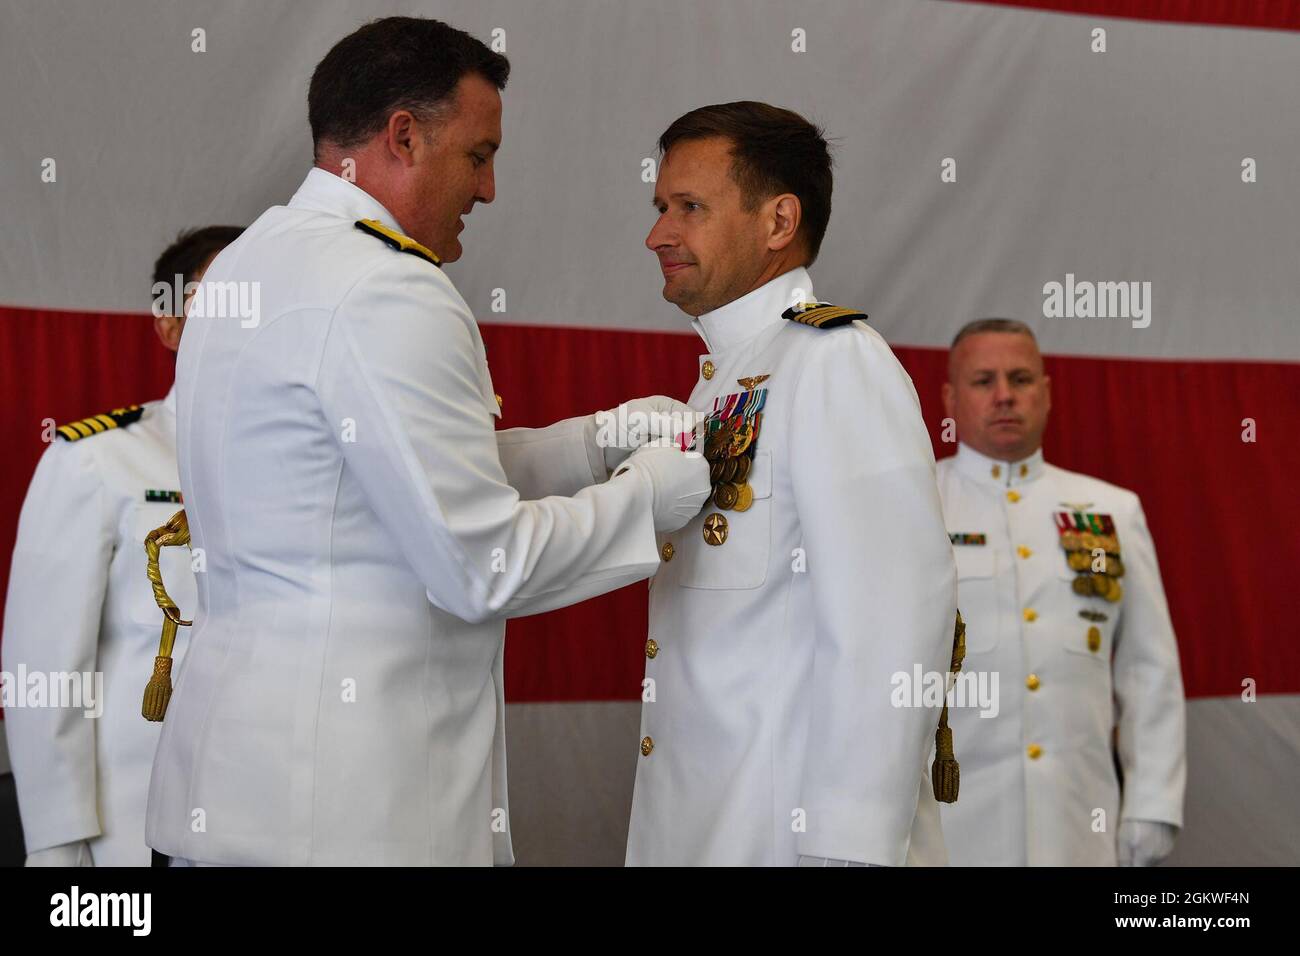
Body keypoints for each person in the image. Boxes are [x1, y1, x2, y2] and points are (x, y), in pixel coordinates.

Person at [145, 17, 710, 867]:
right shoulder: (386, 286)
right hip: (351, 812)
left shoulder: (252, 262)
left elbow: (370, 484)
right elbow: (478, 565)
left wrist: (592, 445)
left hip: (233, 789)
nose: (487, 189)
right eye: (478, 155)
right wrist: (648, 498)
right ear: (403, 136)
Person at [625, 102, 957, 866]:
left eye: (689, 208)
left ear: (778, 222)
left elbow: (893, 619)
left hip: (790, 838)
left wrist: (849, 846)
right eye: (659, 208)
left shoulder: (836, 359)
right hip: (713, 824)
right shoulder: (727, 382)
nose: (659, 235)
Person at [3, 225, 243, 866]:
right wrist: (58, 851)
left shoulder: (319, 466)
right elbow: (45, 670)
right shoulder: (98, 460)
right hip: (133, 835)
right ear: (169, 324)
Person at [935, 318, 1185, 866]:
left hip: (1077, 822)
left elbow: (1149, 667)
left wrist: (1153, 802)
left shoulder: (1110, 512)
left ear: (1046, 393)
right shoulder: (919, 508)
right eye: (983, 381)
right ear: (951, 398)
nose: (1004, 395)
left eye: (1021, 378)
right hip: (949, 828)